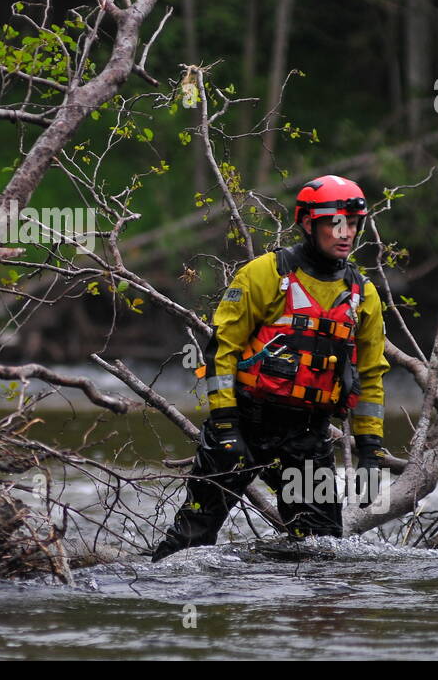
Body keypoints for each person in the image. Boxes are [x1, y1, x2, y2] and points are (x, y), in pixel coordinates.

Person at [151, 175, 390, 561]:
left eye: (354, 223)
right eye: (336, 223)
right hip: (245, 423)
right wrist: (226, 426)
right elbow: (222, 353)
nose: (347, 233)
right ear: (309, 224)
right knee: (189, 542)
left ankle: (288, 608)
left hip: (307, 435)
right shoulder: (264, 274)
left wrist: (370, 449)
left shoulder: (364, 294)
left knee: (322, 552)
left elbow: (371, 377)